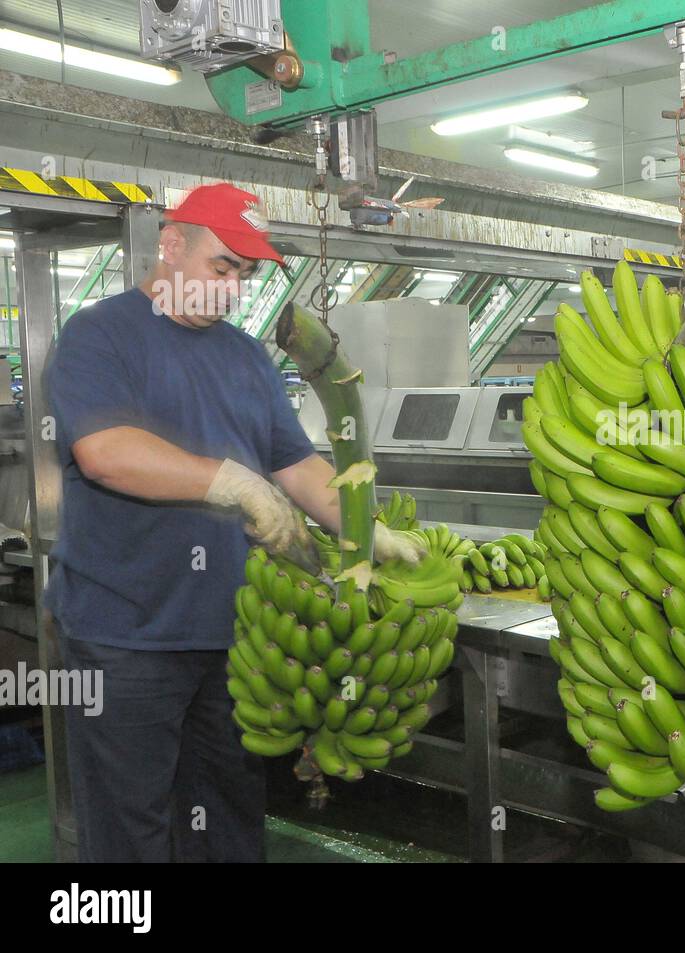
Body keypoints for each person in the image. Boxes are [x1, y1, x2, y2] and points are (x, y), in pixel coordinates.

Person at [46, 182, 422, 863]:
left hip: (237, 639)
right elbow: (104, 452)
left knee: (228, 820)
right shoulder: (99, 334)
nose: (234, 288)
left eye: (245, 275)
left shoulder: (245, 356)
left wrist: (362, 528)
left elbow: (295, 463)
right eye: (223, 266)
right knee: (131, 830)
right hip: (126, 637)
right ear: (171, 243)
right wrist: (226, 480)